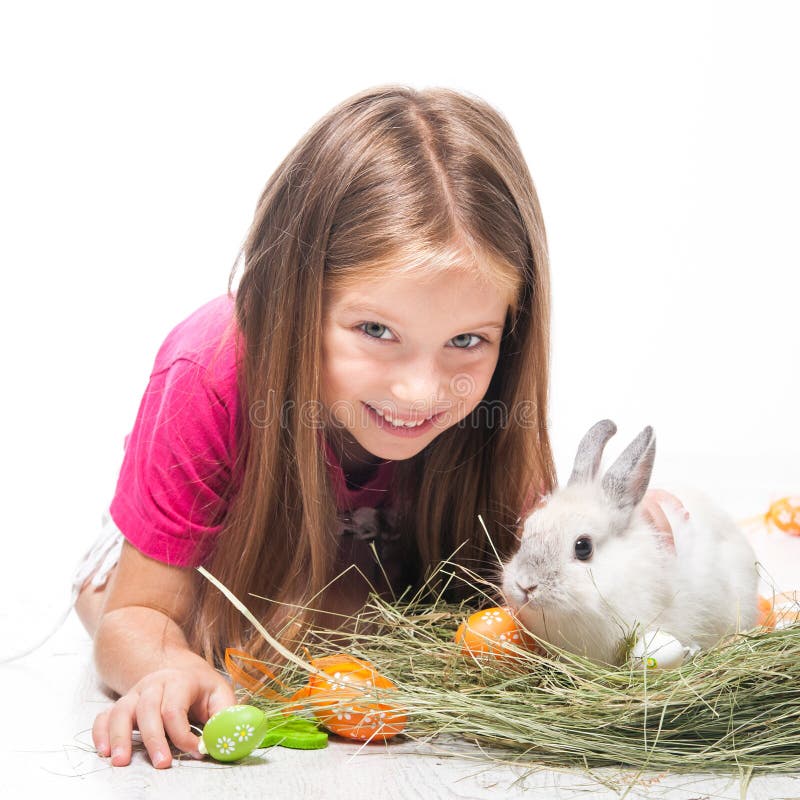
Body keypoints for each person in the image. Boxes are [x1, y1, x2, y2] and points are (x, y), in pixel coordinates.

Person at [74, 84, 682, 769]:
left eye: (467, 341)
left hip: (367, 548)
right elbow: (138, 613)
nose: (420, 391)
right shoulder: (209, 369)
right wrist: (161, 664)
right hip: (216, 549)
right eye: (375, 330)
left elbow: (541, 571)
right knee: (225, 626)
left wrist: (629, 535)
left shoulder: (487, 410)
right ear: (292, 296)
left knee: (350, 612)